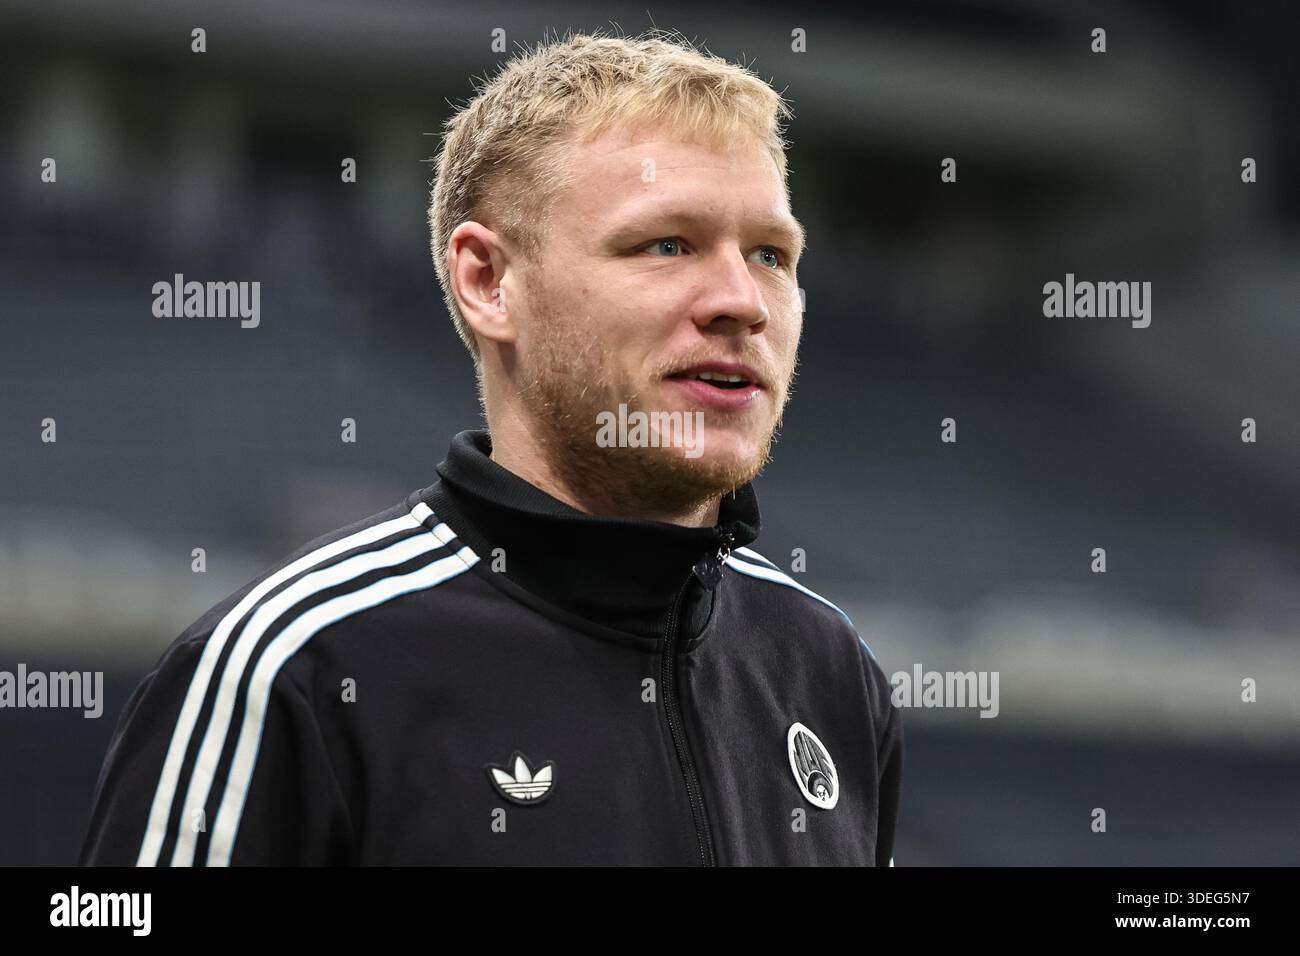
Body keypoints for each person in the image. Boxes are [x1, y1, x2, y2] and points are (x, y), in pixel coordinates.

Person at [80, 29, 901, 867]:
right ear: (488, 283)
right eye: (667, 244)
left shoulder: (831, 668)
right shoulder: (290, 671)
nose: (742, 301)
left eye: (771, 254)